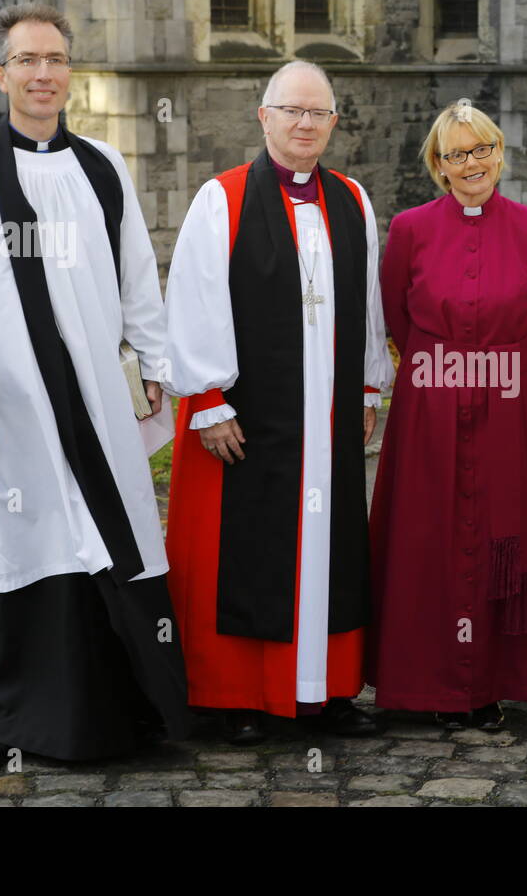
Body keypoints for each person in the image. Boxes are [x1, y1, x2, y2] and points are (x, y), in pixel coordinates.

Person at [0, 3, 190, 765]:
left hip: (99, 396)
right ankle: (8, 726)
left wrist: (155, 366)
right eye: (28, 60)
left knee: (112, 536)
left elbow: (139, 276)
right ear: (0, 73)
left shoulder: (102, 166)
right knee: (24, 544)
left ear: (71, 73)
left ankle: (126, 716)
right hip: (13, 402)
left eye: (57, 59)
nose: (44, 73)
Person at [162, 60, 394, 744]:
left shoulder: (352, 199)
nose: (304, 124)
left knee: (332, 547)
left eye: (318, 113)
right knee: (249, 549)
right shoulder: (223, 199)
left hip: (327, 418)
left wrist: (366, 383)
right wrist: (206, 398)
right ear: (263, 117)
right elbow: (192, 300)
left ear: (333, 124)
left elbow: (367, 303)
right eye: (291, 111)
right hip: (247, 417)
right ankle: (239, 697)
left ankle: (327, 691)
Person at [367, 103, 527, 729]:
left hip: (513, 407)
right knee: (425, 537)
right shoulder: (408, 229)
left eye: (481, 148)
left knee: (502, 539)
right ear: (438, 165)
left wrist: (498, 371)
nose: (471, 162)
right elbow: (398, 318)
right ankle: (419, 685)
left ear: (499, 152)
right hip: (430, 404)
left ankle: (491, 684)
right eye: (456, 154)